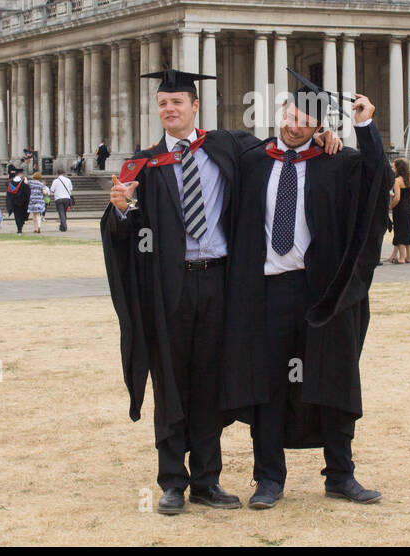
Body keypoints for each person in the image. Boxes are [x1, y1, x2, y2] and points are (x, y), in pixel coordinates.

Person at [102, 69, 341, 517]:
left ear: (195, 107)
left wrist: (324, 133)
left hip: (221, 283)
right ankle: (173, 481)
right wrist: (120, 211)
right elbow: (127, 232)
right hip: (169, 286)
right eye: (162, 104)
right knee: (171, 382)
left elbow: (287, 145)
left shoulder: (228, 147)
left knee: (211, 382)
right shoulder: (143, 165)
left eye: (177, 103)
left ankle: (207, 480)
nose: (169, 110)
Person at [222, 91, 388, 510]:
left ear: (319, 128)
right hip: (266, 292)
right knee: (269, 385)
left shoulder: (335, 161)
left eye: (304, 122)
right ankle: (268, 480)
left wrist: (365, 127)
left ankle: (340, 475)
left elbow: (376, 178)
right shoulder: (252, 162)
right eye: (289, 116)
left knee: (332, 378)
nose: (293, 127)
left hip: (321, 292)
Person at [387, 158, 410, 264]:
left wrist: (390, 206)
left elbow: (397, 198)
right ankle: (409, 257)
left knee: (399, 231)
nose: (392, 169)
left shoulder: (397, 181)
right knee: (407, 231)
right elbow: (409, 195)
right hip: (408, 207)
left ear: (398, 168)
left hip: (400, 208)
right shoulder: (409, 179)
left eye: (393, 167)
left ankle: (401, 257)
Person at [5, 166, 30, 234]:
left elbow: (9, 194)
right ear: (20, 174)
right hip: (23, 202)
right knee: (22, 215)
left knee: (17, 216)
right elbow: (27, 193)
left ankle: (19, 228)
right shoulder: (23, 183)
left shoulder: (11, 183)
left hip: (14, 202)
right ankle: (20, 227)